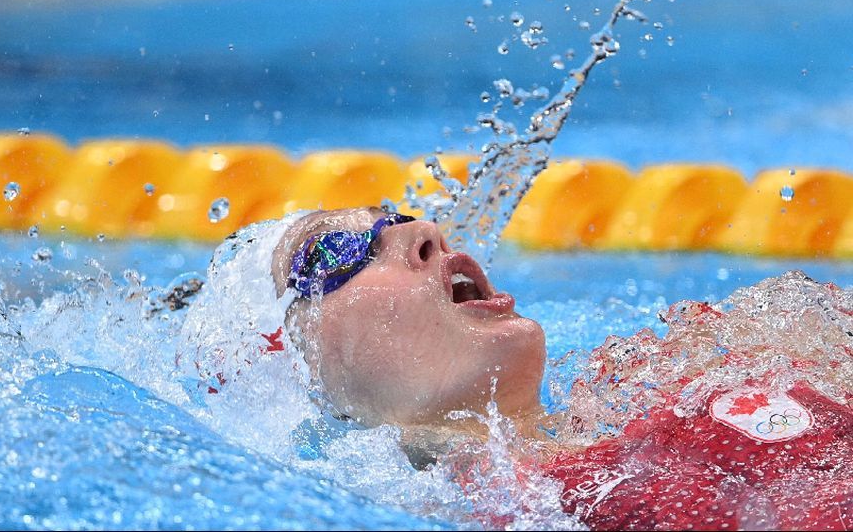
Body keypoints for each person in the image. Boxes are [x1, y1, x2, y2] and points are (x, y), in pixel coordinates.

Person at [187, 206, 853, 532]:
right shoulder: (520, 509)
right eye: (336, 251)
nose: (423, 230)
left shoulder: (669, 382)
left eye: (400, 215)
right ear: (301, 371)